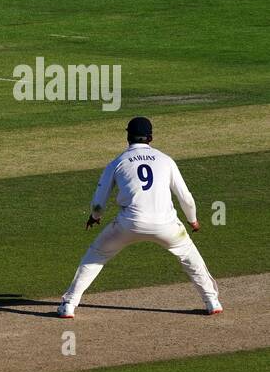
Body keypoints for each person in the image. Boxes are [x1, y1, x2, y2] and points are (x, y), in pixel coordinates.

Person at [57, 116, 221, 318]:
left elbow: (99, 201)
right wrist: (192, 220)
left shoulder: (117, 162)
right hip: (167, 226)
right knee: (190, 258)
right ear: (150, 137)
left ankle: (69, 305)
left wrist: (95, 216)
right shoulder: (165, 160)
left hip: (129, 224)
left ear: (128, 137)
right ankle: (212, 301)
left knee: (96, 256)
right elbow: (185, 197)